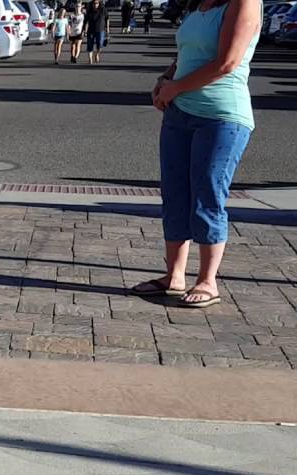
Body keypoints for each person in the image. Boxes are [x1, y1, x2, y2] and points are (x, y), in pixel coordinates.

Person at [136, 0, 261, 309]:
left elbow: (227, 62)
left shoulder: (244, 3)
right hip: (179, 114)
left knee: (207, 195)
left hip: (221, 116)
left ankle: (207, 280)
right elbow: (186, 54)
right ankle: (174, 276)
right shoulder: (199, 6)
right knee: (175, 194)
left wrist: (176, 88)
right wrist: (164, 80)